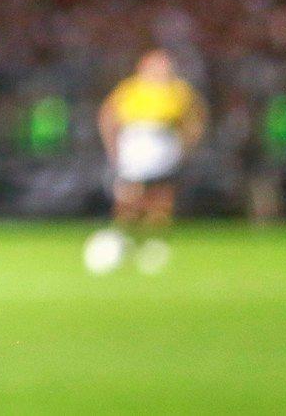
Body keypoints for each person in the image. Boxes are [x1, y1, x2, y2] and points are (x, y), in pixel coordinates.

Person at [86, 48, 207, 275]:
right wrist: (113, 146)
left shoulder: (178, 90)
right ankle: (125, 237)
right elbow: (108, 115)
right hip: (136, 145)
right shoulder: (130, 89)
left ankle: (155, 241)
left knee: (161, 195)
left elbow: (195, 116)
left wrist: (186, 143)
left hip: (163, 143)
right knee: (129, 195)